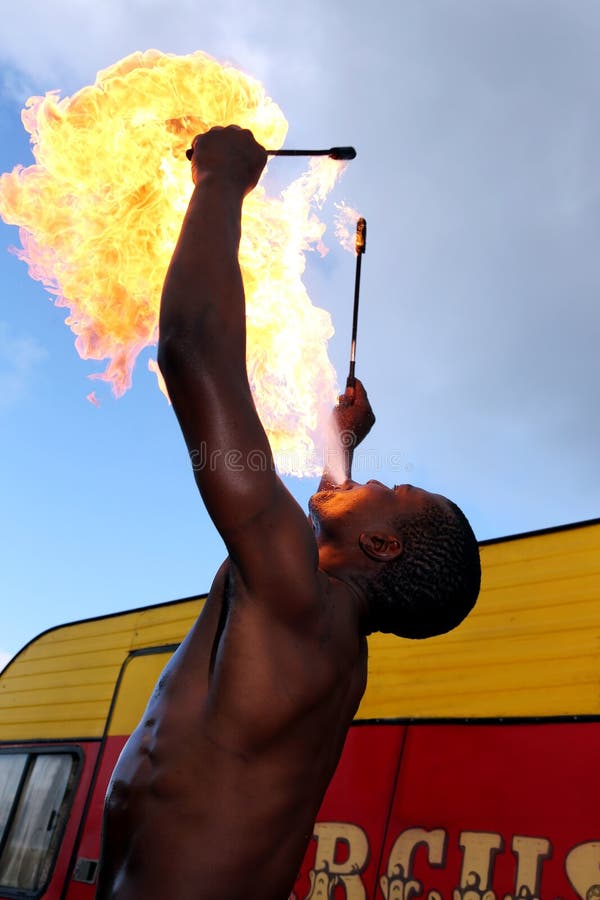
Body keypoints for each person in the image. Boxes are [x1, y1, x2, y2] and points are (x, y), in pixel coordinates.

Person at [95, 125, 480, 900]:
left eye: (392, 490)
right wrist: (342, 450)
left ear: (382, 543)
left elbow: (193, 352)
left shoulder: (294, 601)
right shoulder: (322, 633)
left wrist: (221, 182)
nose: (377, 480)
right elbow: (313, 545)